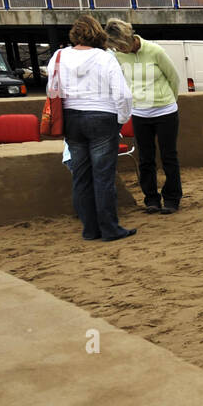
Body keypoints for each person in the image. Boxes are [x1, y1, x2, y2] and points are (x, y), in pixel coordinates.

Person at [47, 14, 135, 241]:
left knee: (81, 177)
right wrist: (121, 119)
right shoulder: (105, 58)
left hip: (71, 118)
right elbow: (123, 94)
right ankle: (109, 228)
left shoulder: (58, 56)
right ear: (97, 33)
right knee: (103, 177)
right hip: (102, 117)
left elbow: (52, 88)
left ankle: (90, 229)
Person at [104, 19, 183, 214]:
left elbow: (174, 78)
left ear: (128, 39)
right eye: (115, 48)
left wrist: (169, 101)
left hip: (165, 110)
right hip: (139, 113)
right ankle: (151, 199)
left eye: (120, 46)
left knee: (168, 156)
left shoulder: (155, 51)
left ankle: (172, 198)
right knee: (146, 158)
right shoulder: (117, 56)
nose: (119, 51)